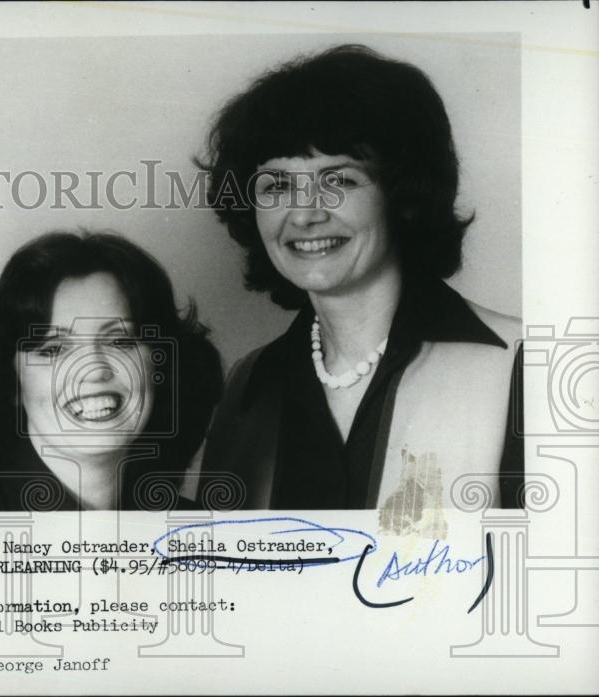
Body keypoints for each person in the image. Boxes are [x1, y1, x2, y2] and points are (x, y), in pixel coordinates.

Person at [198, 44, 523, 511]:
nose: (305, 214)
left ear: (401, 195)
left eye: (340, 181)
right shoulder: (248, 386)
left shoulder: (521, 365)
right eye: (277, 185)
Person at [0, 231, 223, 511]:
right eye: (55, 349)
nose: (94, 371)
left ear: (160, 366)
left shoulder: (197, 535)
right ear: (11, 383)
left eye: (120, 341)